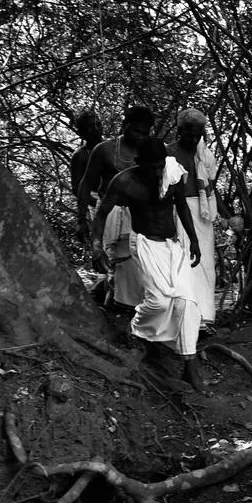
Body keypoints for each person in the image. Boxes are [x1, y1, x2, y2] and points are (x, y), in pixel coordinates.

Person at [90, 137, 206, 392]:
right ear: (138, 161)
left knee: (187, 302)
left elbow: (182, 208)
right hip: (144, 244)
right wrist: (97, 245)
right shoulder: (124, 182)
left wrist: (194, 241)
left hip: (172, 245)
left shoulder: (173, 173)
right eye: (151, 167)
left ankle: (190, 366)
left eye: (159, 166)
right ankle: (139, 331)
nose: (156, 172)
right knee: (160, 301)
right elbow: (101, 214)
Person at [78, 106, 155, 308]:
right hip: (108, 211)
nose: (139, 137)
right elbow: (86, 184)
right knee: (110, 261)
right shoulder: (104, 149)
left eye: (144, 133)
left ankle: (130, 309)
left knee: (134, 263)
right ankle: (113, 308)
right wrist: (81, 220)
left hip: (138, 213)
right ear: (124, 125)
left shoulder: (149, 151)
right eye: (135, 131)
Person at [167, 108, 233, 328]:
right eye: (190, 134)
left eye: (198, 135)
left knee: (204, 264)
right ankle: (184, 317)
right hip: (177, 212)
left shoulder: (204, 154)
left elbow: (211, 188)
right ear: (180, 130)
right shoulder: (168, 153)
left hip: (202, 213)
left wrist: (226, 214)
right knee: (182, 263)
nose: (194, 139)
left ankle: (204, 317)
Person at [69, 109, 104, 242]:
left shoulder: (113, 147)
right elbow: (77, 188)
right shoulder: (80, 156)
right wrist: (97, 203)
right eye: (91, 126)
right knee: (106, 244)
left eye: (98, 124)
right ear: (82, 133)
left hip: (120, 200)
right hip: (97, 202)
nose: (97, 128)